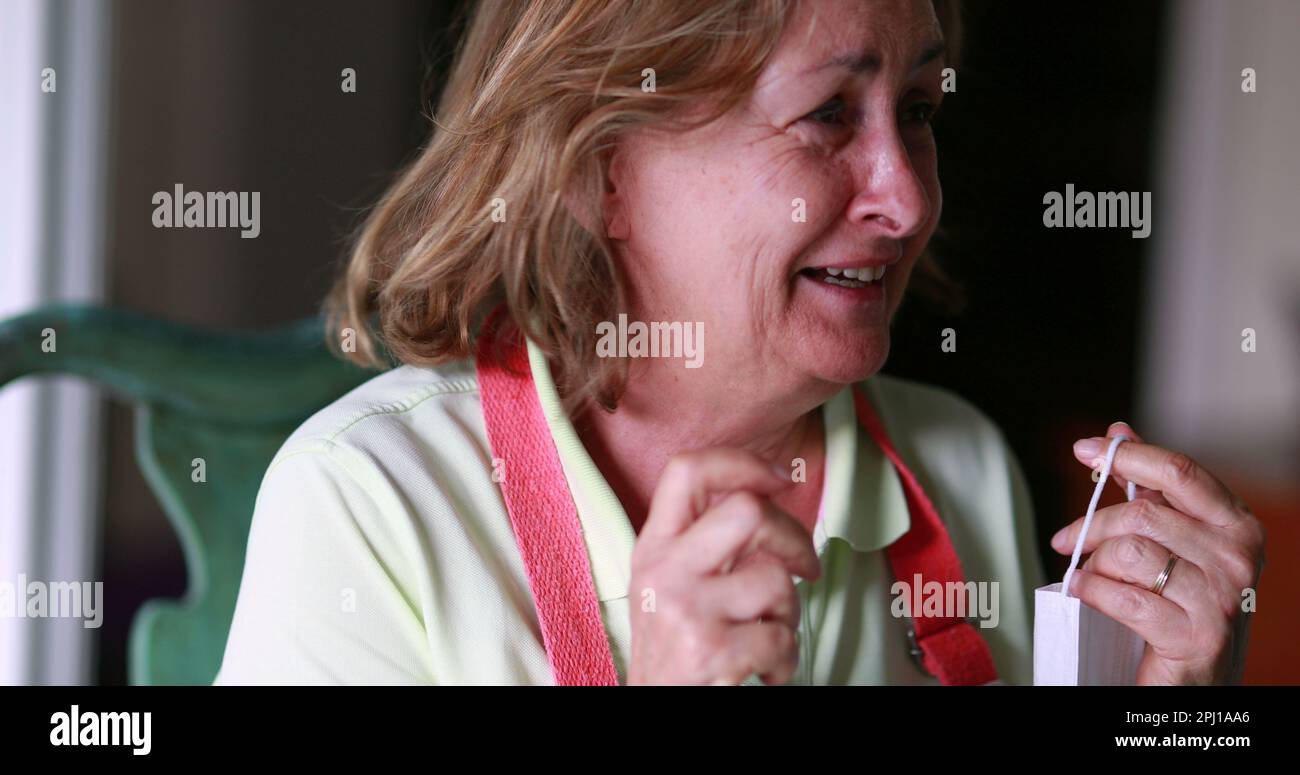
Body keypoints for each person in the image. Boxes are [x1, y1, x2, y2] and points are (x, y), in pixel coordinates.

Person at [214, 0, 1265, 686]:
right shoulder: (365, 507)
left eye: (919, 110)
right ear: (597, 170)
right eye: (825, 116)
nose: (906, 199)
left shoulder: (959, 468)